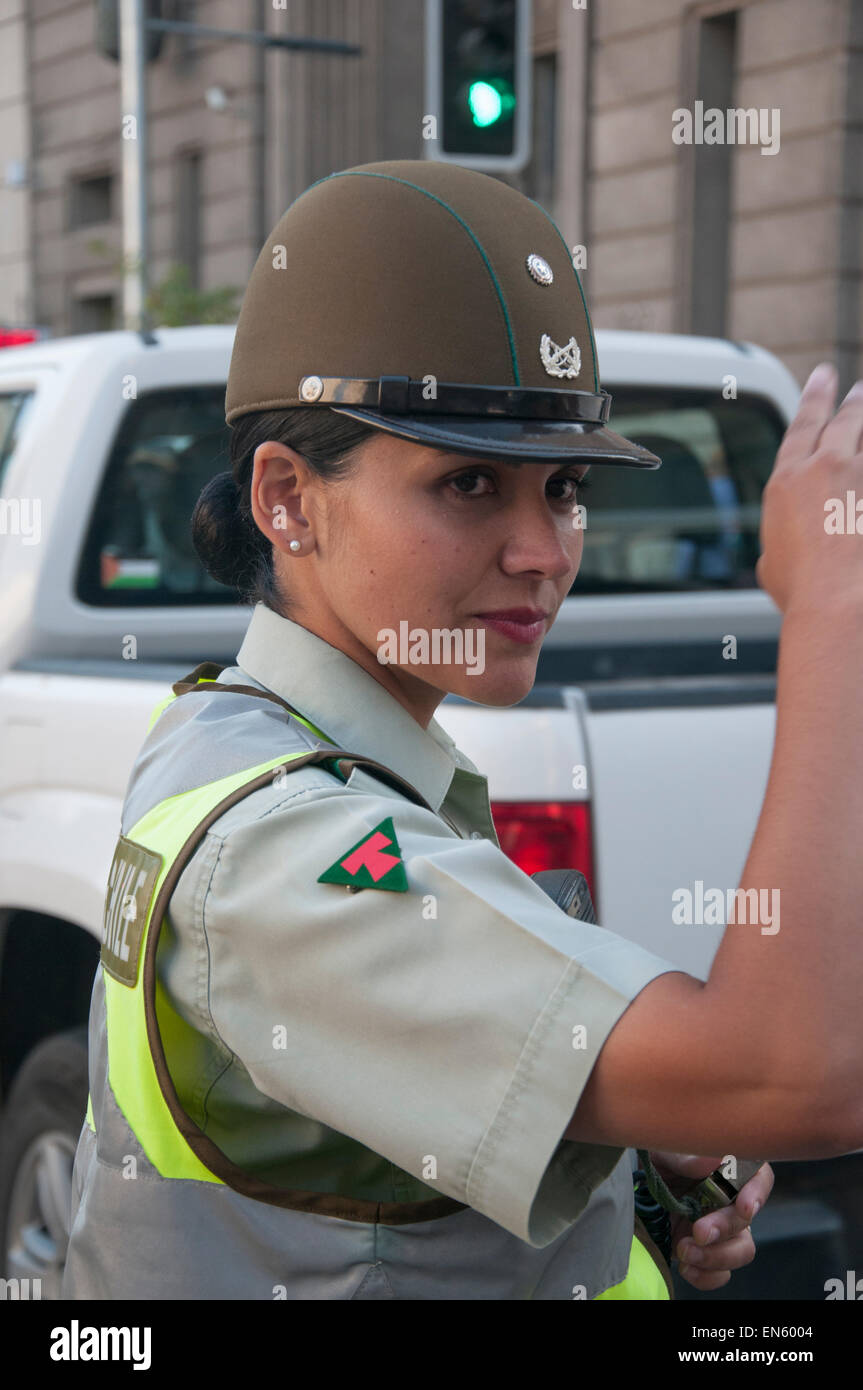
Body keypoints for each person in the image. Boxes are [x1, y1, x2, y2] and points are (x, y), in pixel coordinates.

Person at [64, 158, 863, 1301]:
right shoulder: (294, 852)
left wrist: (614, 1165)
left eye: (565, 490)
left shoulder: (236, 732)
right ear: (286, 498)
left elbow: (349, 1144)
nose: (543, 550)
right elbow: (798, 1077)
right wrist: (833, 611)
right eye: (470, 486)